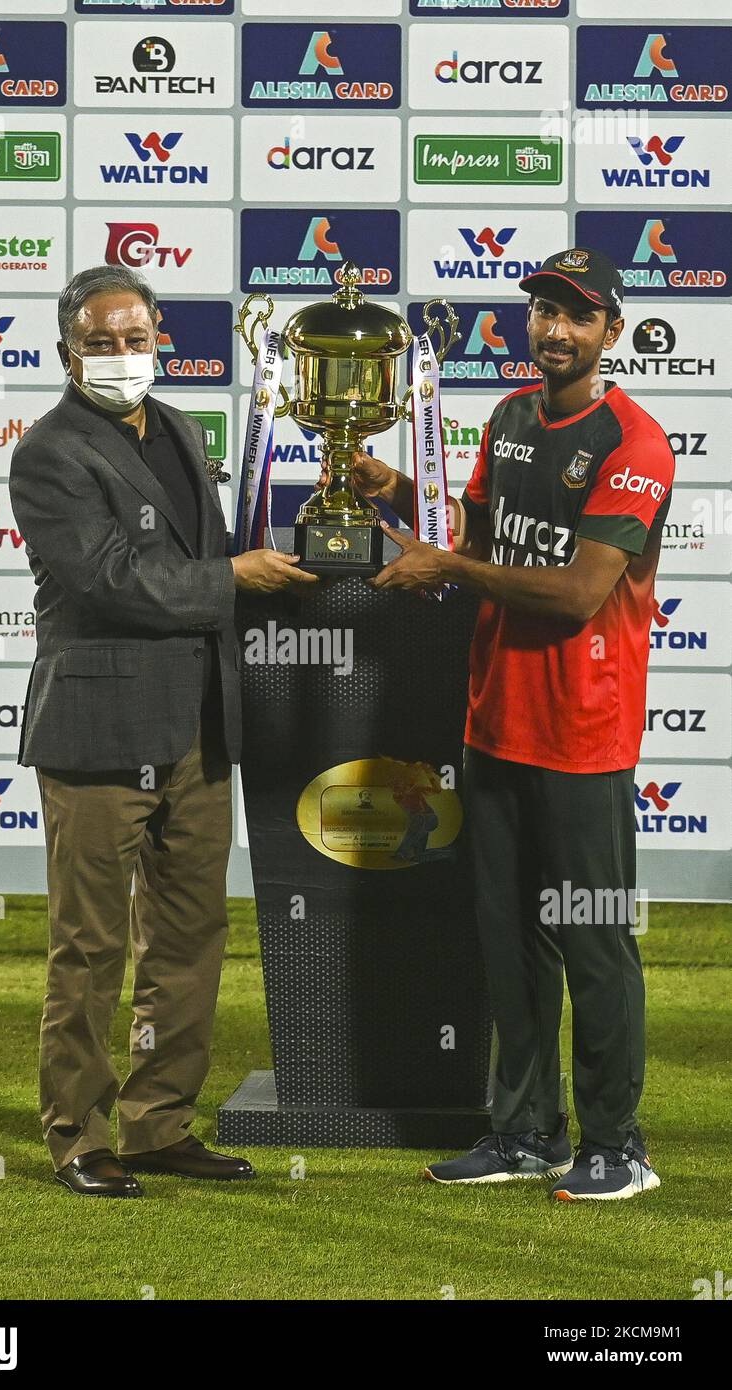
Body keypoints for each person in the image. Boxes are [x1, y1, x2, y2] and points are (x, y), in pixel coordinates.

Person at [342, 248, 674, 1201]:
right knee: (512, 939)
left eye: (577, 315)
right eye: (542, 312)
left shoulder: (634, 444)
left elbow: (575, 595)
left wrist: (448, 569)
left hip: (583, 738)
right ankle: (524, 1130)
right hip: (495, 726)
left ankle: (618, 1145)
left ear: (612, 331)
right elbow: (479, 533)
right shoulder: (510, 416)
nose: (554, 329)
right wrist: (390, 490)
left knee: (595, 942)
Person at [9, 265, 316, 1197]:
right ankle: (78, 1137)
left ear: (161, 338)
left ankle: (158, 1123)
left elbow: (204, 554)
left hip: (197, 729)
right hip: (99, 731)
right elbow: (113, 581)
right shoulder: (49, 452)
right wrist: (237, 579)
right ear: (68, 349)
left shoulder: (180, 427)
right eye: (99, 341)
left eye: (134, 337)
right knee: (92, 945)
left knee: (189, 937)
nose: (120, 354)